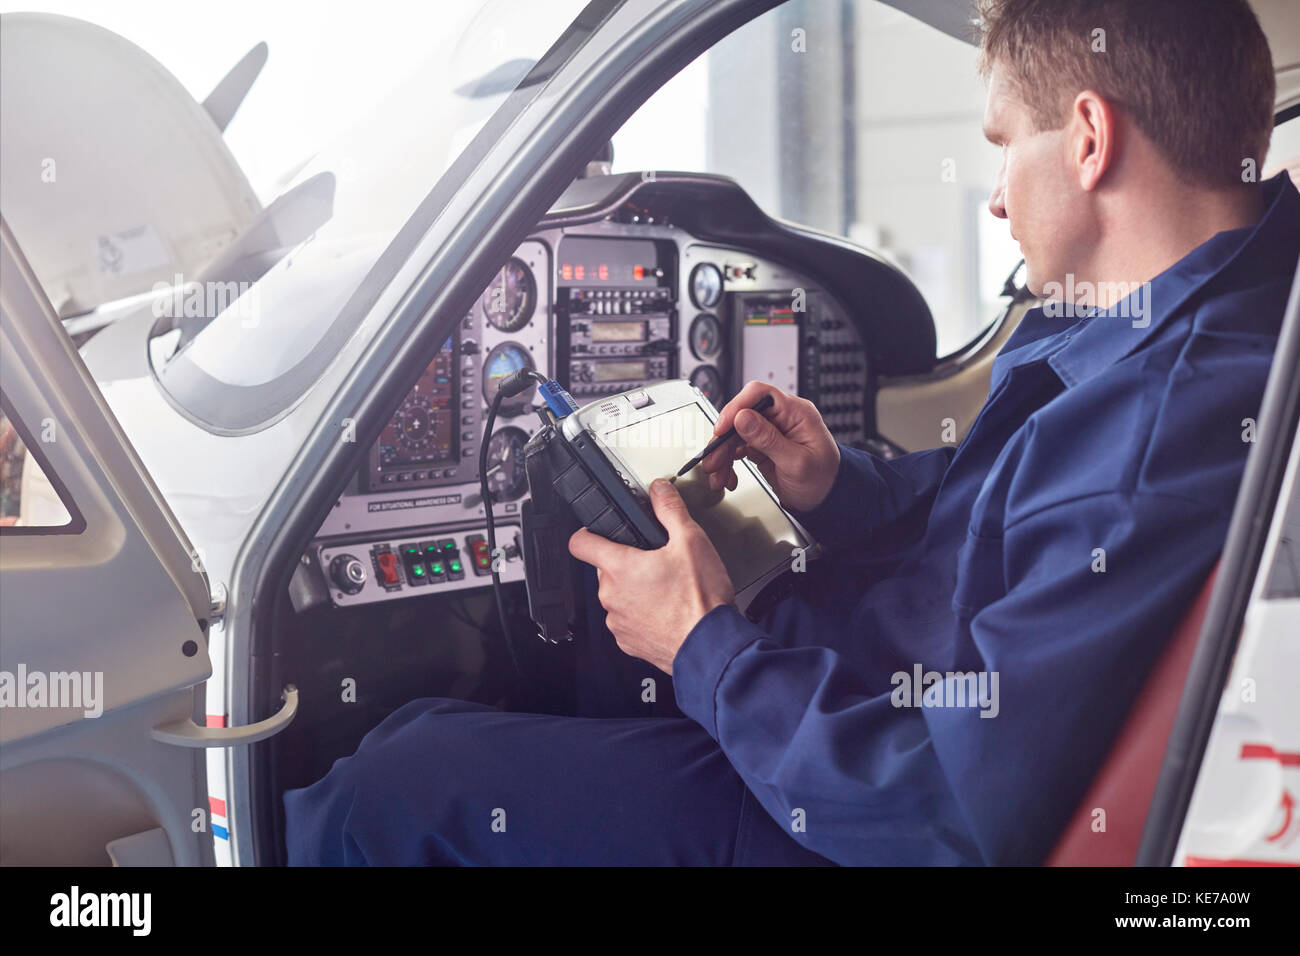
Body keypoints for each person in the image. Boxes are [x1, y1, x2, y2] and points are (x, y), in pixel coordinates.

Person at [283, 0, 1299, 865]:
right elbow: (1009, 514)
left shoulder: (1164, 420)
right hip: (871, 705)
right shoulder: (1184, 337)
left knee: (401, 777)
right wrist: (838, 485)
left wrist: (704, 645)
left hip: (853, 809)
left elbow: (948, 804)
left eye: (1001, 147)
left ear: (1086, 137)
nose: (994, 197)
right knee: (551, 678)